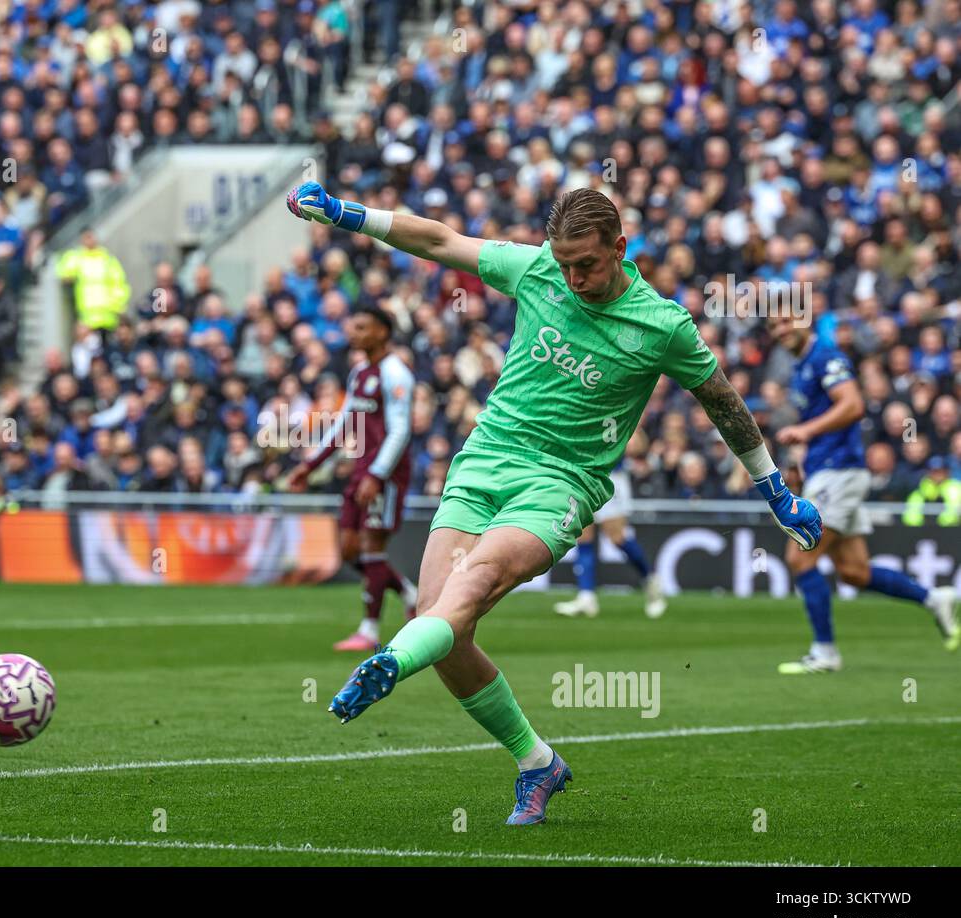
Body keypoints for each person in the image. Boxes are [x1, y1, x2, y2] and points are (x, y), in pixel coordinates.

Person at [286, 181, 822, 825]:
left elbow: (724, 405)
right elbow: (438, 239)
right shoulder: (538, 270)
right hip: (483, 462)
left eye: (587, 264)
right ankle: (537, 762)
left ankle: (392, 662)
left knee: (471, 584)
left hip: (561, 483)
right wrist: (348, 214)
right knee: (444, 624)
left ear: (621, 249)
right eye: (562, 262)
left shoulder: (663, 325)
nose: (571, 277)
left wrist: (776, 491)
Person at [769, 311, 958, 673]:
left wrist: (805, 431)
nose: (781, 330)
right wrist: (801, 459)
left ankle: (825, 652)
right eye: (774, 326)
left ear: (803, 320)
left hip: (840, 473)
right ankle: (934, 598)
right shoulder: (802, 367)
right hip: (828, 472)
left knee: (800, 558)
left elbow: (853, 406)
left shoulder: (826, 356)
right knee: (854, 572)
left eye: (786, 320)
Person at [285, 307, 418, 651]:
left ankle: (369, 630)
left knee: (373, 545)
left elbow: (401, 429)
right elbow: (344, 424)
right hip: (361, 470)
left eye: (362, 327)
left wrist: (377, 474)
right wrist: (310, 465)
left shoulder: (396, 374)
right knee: (349, 549)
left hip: (385, 474)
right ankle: (408, 592)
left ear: (383, 332)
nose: (354, 332)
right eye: (353, 326)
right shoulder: (359, 372)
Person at [552, 452, 666, 619]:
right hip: (583, 471)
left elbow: (638, 444)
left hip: (610, 474)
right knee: (583, 536)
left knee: (618, 537)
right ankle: (586, 596)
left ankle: (650, 580)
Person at [54, 228, 131, 338]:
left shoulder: (107, 259)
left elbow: (120, 284)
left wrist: (118, 307)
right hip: (87, 321)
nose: (89, 240)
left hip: (108, 318)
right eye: (86, 237)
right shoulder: (77, 258)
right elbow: (64, 273)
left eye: (91, 237)